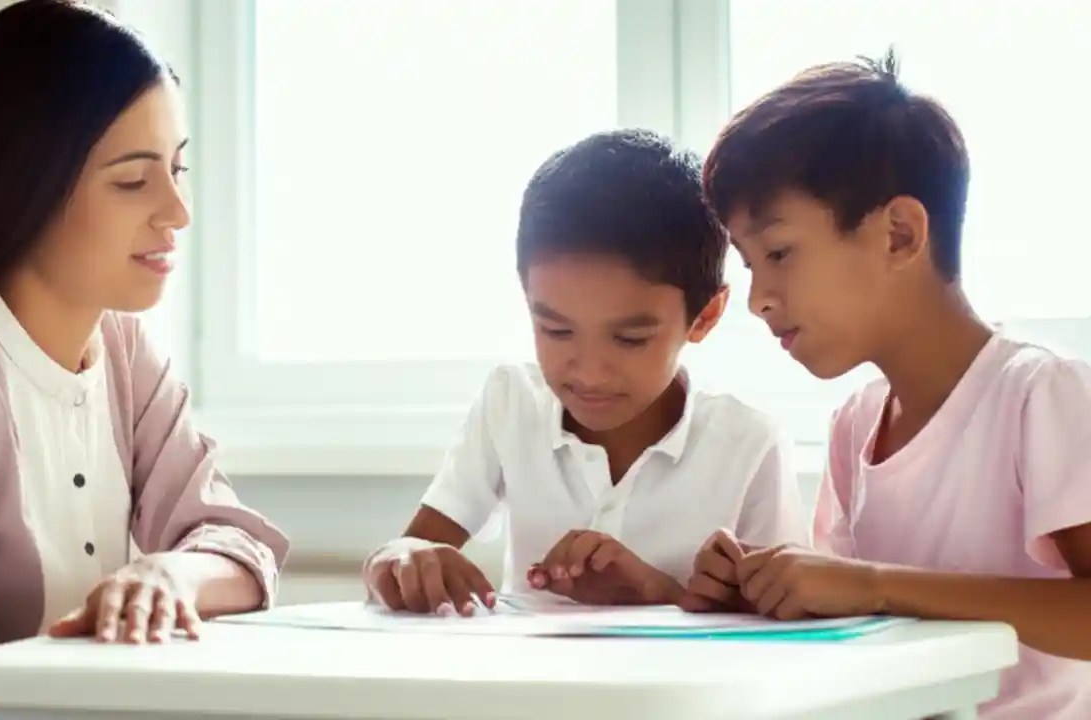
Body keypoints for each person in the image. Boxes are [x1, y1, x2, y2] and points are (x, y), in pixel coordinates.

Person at [0, 2, 288, 717]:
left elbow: (238, 548)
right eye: (133, 180)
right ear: (24, 181)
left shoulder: (124, 349)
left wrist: (167, 576)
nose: (177, 211)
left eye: (177, 168)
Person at [686, 52, 1091, 718]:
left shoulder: (1039, 395)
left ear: (899, 235)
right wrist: (769, 589)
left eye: (779, 253)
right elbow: (861, 628)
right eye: (750, 264)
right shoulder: (855, 425)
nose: (758, 299)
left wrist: (872, 585)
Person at [363, 129, 805, 616]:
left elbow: (781, 632)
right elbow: (404, 552)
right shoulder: (512, 403)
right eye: (555, 330)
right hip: (537, 689)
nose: (590, 373)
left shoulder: (749, 445)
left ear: (705, 317)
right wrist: (405, 561)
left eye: (630, 339)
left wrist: (655, 592)